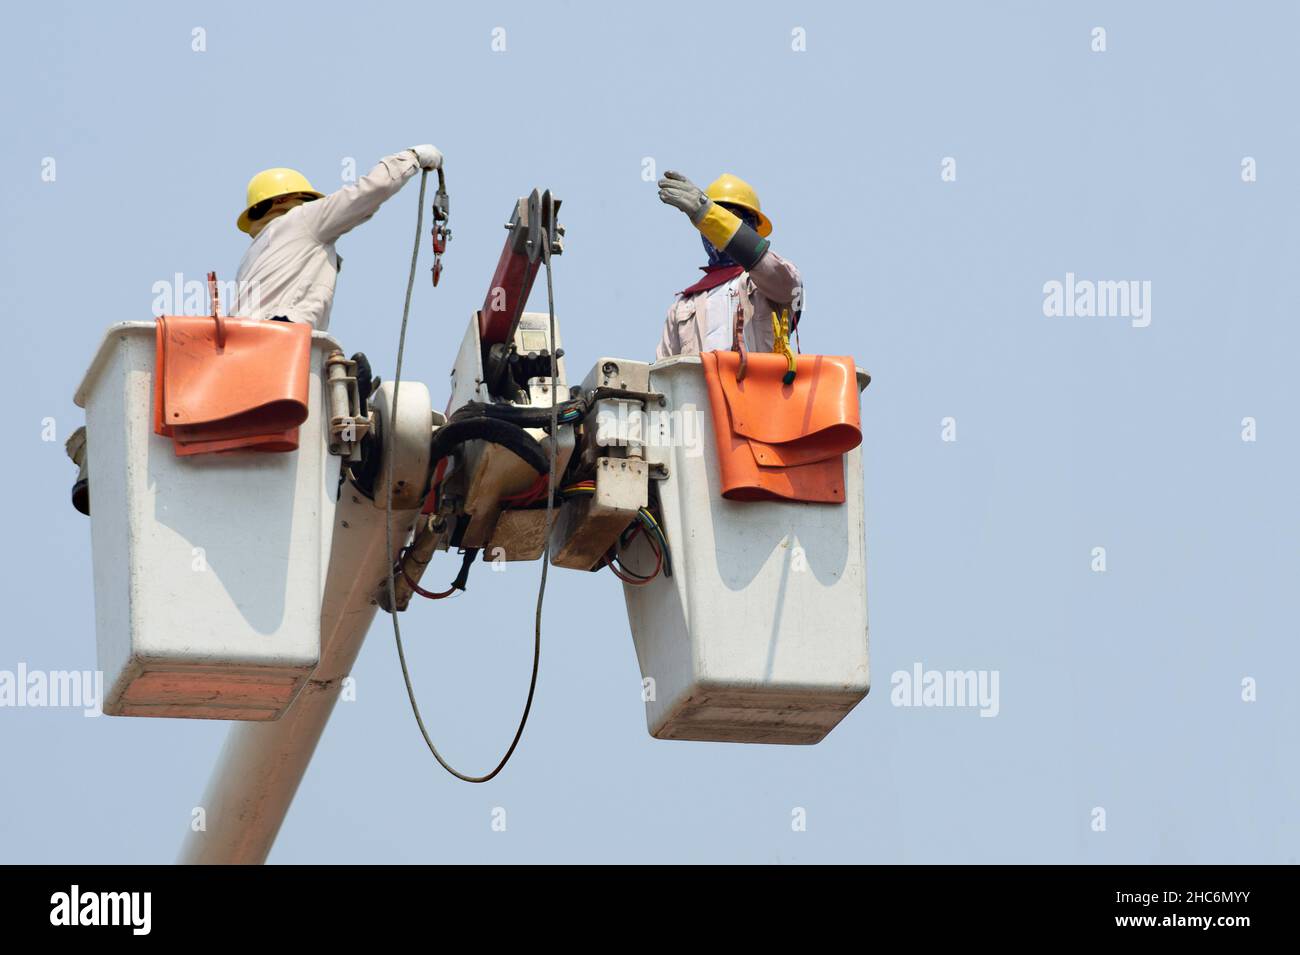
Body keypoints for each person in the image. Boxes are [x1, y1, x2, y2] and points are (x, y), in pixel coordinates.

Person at [66, 145, 443, 514]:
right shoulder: (303, 222)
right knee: (341, 388)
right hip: (280, 353)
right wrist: (411, 158)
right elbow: (368, 193)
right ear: (295, 200)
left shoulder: (258, 250)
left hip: (245, 359)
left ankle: (104, 453)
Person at [654, 170, 802, 359]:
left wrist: (707, 213)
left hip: (760, 387)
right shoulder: (683, 306)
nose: (713, 230)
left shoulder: (772, 281)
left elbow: (785, 285)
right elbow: (665, 375)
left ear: (753, 228)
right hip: (706, 388)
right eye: (708, 223)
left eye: (730, 217)